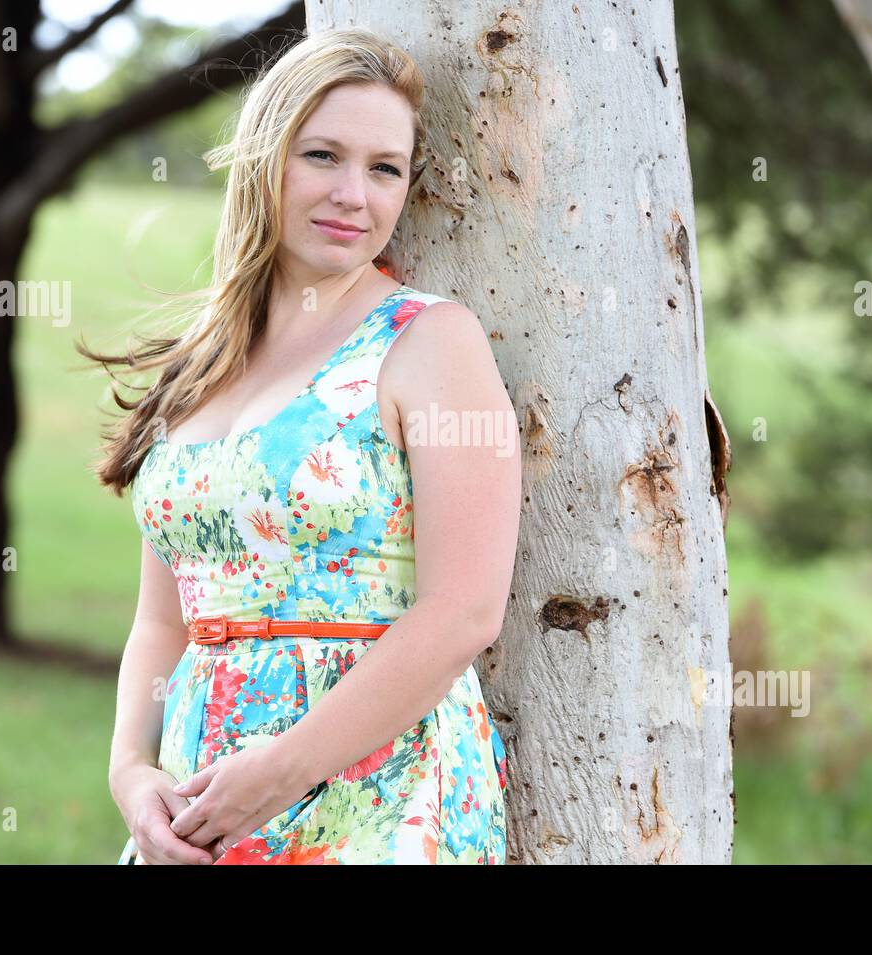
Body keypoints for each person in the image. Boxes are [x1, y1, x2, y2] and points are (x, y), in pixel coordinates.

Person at [79, 27, 520, 864]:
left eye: (384, 168)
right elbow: (162, 620)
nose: (354, 193)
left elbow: (463, 611)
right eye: (322, 156)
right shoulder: (202, 364)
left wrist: (282, 770)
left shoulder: (429, 342)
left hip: (380, 794)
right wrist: (132, 771)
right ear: (264, 159)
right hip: (200, 802)